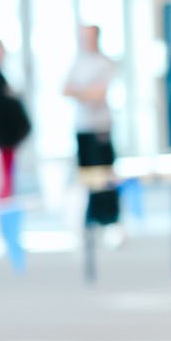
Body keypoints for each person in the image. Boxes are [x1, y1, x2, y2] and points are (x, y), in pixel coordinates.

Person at [62, 24, 122, 237]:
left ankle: (109, 216)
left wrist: (82, 92)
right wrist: (86, 92)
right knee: (86, 173)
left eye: (89, 37)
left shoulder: (103, 63)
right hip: (83, 126)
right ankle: (92, 213)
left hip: (100, 126)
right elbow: (65, 89)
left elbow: (98, 94)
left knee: (103, 173)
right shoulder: (78, 62)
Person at [0, 40, 31, 201]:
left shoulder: (2, 77)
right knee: (5, 172)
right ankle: (5, 199)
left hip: (7, 134)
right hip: (4, 133)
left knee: (9, 170)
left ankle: (7, 197)